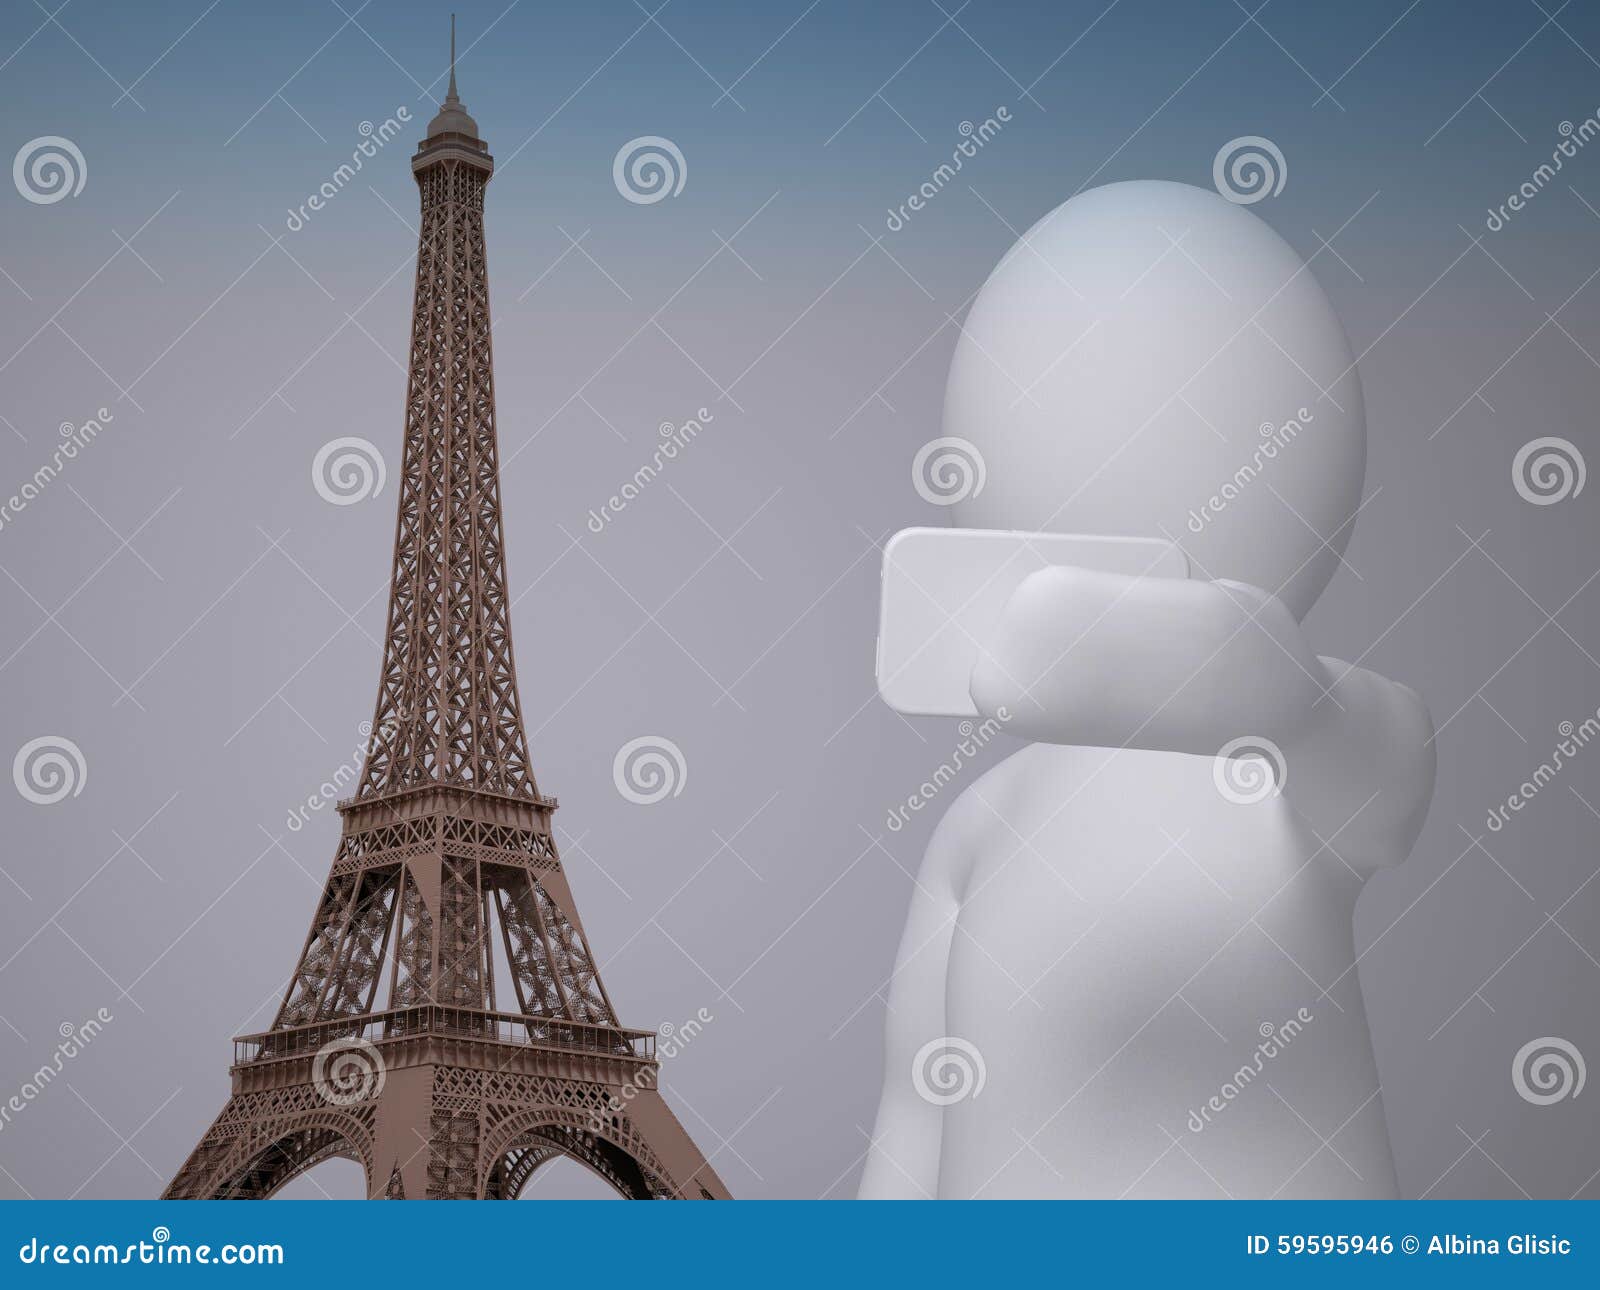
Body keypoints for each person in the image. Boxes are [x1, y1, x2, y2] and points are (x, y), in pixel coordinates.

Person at [860, 181, 1435, 1199]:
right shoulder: (983, 821)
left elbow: (1377, 781)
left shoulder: (1318, 745)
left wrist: (1266, 685)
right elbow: (914, 1105)